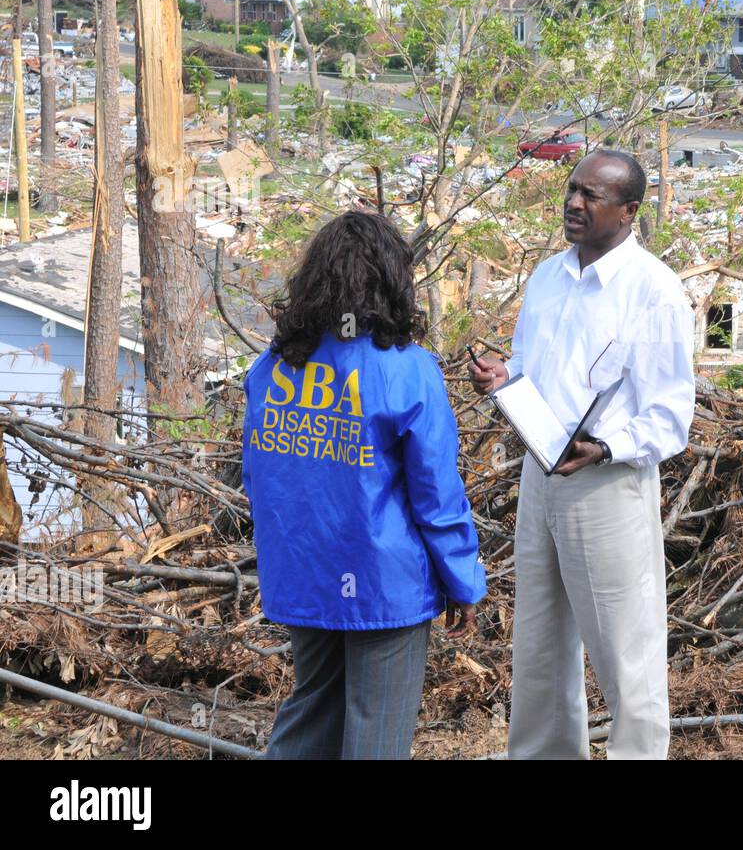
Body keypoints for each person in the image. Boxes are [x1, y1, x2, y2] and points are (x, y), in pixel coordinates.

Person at [469, 150, 696, 760]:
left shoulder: (654, 291)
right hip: (540, 475)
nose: (573, 203)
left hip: (607, 487)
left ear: (628, 212)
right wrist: (502, 378)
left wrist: (604, 448)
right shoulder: (548, 277)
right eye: (572, 190)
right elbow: (533, 370)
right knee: (538, 644)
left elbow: (672, 414)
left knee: (627, 651)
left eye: (591, 196)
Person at [243, 210, 486, 760]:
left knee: (312, 712)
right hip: (383, 582)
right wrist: (463, 580)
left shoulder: (273, 368)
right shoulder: (407, 369)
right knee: (376, 734)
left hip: (304, 573)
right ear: (392, 281)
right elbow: (436, 496)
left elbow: (258, 477)